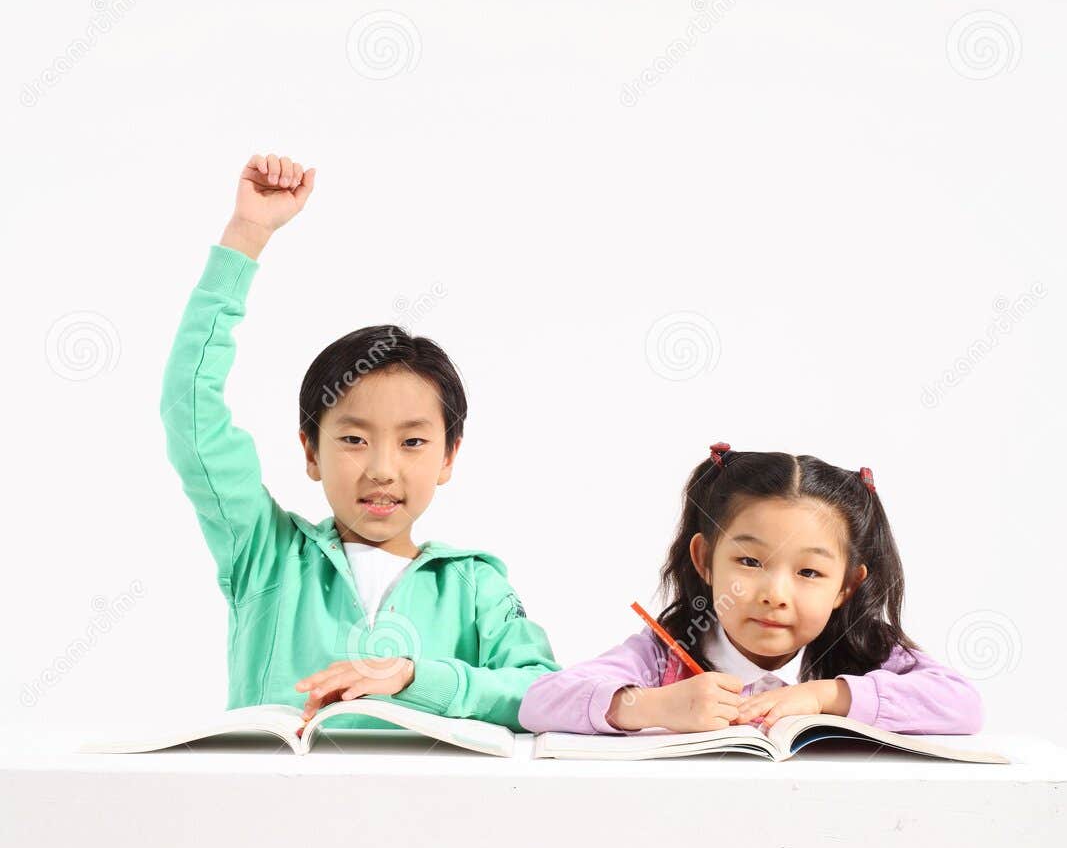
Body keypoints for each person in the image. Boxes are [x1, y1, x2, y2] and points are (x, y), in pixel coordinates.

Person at [162, 151, 557, 731]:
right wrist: (246, 236)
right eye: (352, 438)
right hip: (266, 814)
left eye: (413, 443)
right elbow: (189, 409)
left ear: (449, 456)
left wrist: (413, 675)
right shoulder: (265, 556)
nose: (382, 469)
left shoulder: (476, 587)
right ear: (309, 452)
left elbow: (543, 691)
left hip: (433, 820)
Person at [519, 442, 981, 737]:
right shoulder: (666, 655)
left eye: (810, 573)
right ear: (704, 561)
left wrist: (825, 697)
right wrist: (654, 705)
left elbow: (963, 706)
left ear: (846, 586)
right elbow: (540, 702)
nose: (775, 593)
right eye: (749, 561)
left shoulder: (866, 654)